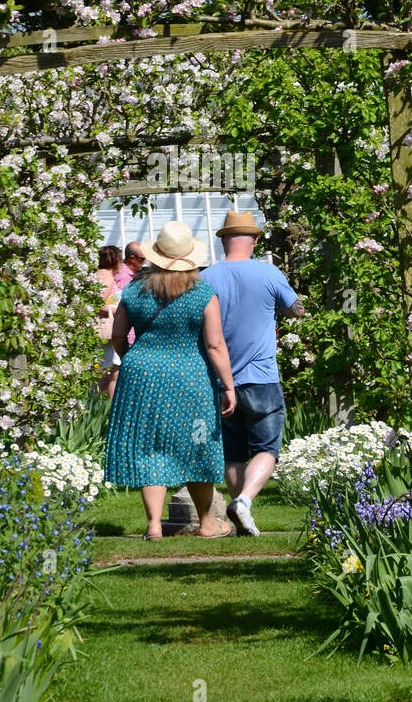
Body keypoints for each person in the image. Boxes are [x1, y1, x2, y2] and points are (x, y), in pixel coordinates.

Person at [106, 220, 237, 540]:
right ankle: (207, 523)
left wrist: (135, 358)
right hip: (190, 377)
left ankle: (153, 525)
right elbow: (215, 345)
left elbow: (119, 335)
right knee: (197, 443)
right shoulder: (203, 293)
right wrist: (229, 386)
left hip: (142, 377)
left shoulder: (134, 290)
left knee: (151, 446)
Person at [203, 210, 305, 536]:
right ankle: (244, 503)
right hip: (261, 379)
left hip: (220, 381)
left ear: (223, 241)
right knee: (266, 449)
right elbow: (295, 309)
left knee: (232, 452)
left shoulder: (206, 278)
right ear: (256, 240)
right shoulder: (269, 273)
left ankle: (241, 514)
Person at [95, 244, 123, 399]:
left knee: (103, 369)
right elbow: (96, 303)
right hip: (106, 327)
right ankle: (108, 407)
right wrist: (118, 310)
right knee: (113, 372)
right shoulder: (107, 277)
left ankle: (99, 404)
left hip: (101, 328)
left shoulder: (97, 274)